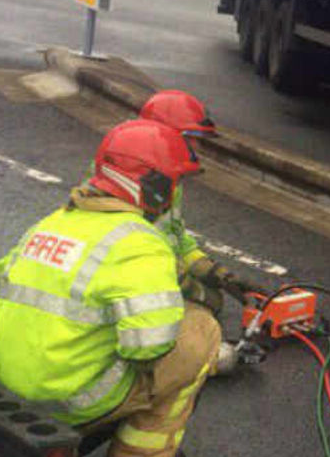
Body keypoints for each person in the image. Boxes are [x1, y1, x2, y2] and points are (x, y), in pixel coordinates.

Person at [0, 120, 220, 457]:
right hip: (77, 401)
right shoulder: (139, 241)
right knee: (202, 331)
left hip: (12, 389)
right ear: (156, 185)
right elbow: (149, 346)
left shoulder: (51, 223)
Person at [105, 89, 261, 315]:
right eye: (191, 139)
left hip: (148, 272)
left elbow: (175, 237)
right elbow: (134, 254)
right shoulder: (130, 183)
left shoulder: (165, 180)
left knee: (207, 300)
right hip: (124, 287)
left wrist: (215, 273)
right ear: (160, 135)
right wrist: (189, 288)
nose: (197, 148)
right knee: (200, 319)